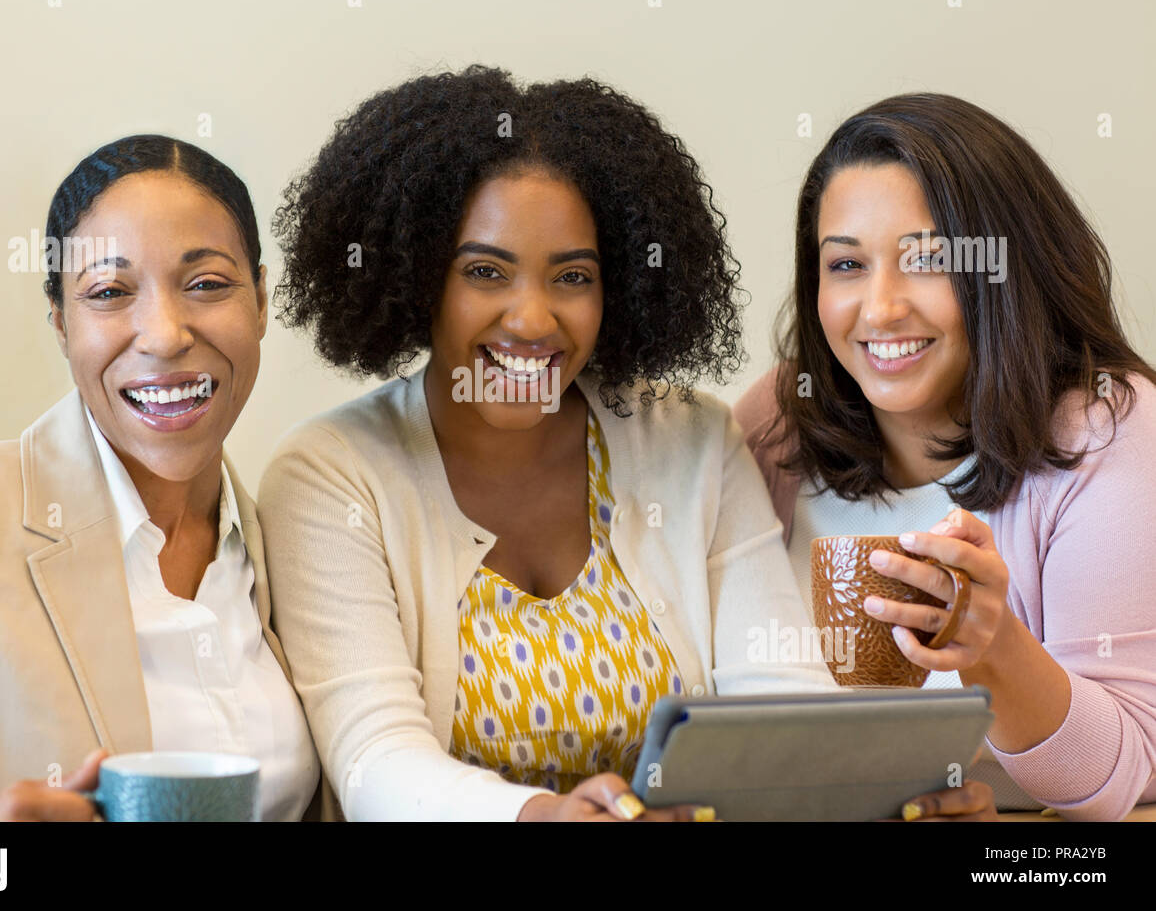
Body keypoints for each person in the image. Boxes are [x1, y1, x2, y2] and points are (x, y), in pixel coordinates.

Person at [259, 67, 992, 821]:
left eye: (572, 276)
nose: (534, 320)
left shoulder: (693, 443)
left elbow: (780, 702)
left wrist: (878, 798)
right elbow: (374, 761)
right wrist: (540, 817)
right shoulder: (329, 477)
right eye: (485, 271)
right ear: (415, 279)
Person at [0, 135, 319, 820]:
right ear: (61, 324)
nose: (163, 335)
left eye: (208, 284)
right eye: (109, 292)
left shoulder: (289, 542)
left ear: (261, 305)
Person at [735, 94, 1156, 821]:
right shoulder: (780, 418)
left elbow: (1124, 776)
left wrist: (992, 646)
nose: (881, 309)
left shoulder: (1104, 427)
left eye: (927, 260)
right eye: (846, 265)